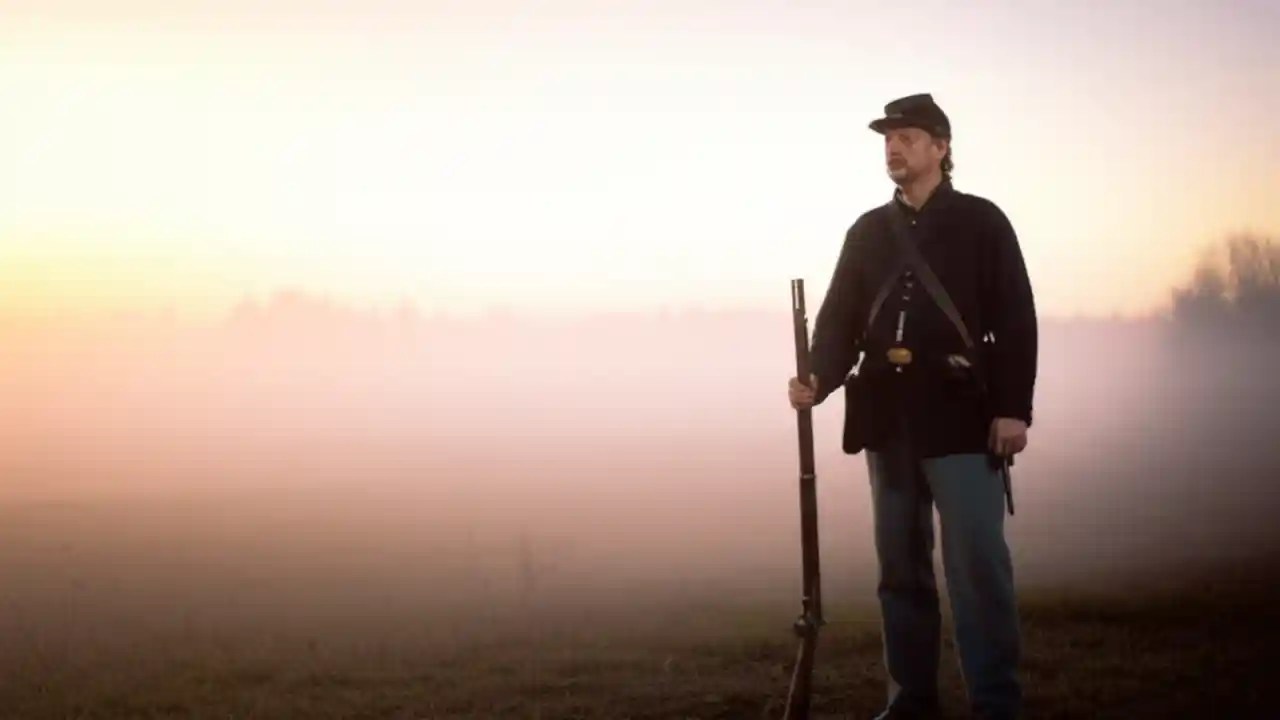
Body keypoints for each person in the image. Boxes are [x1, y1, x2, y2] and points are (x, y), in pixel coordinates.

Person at [787, 93, 1037, 720]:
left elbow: (1015, 320)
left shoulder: (983, 222)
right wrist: (819, 377)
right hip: (887, 420)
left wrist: (1013, 409)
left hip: (962, 418)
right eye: (887, 139)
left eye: (908, 136)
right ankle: (911, 703)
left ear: (941, 147)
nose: (894, 148)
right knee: (900, 573)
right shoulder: (869, 230)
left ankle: (996, 705)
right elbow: (841, 317)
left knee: (977, 570)